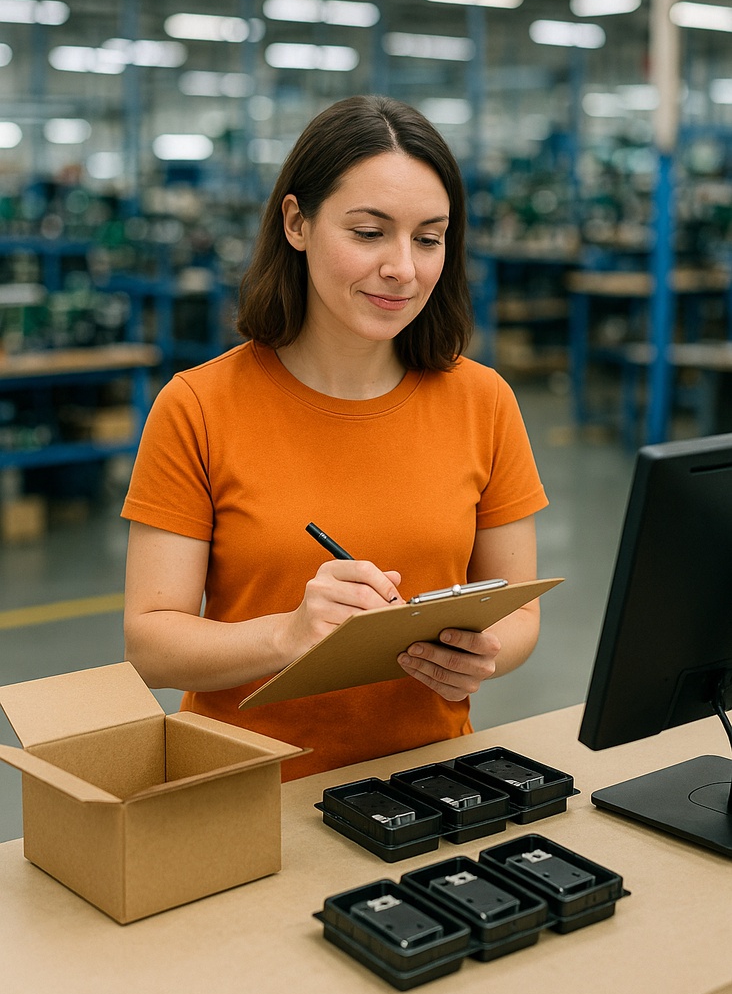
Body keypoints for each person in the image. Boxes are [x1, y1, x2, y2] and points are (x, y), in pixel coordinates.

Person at [121, 95, 548, 779]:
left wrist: (482, 647)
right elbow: (152, 642)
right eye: (370, 232)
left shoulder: (483, 401)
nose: (403, 269)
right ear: (297, 222)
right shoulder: (198, 406)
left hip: (433, 781)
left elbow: (519, 607)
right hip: (245, 792)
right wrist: (288, 635)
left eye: (429, 238)